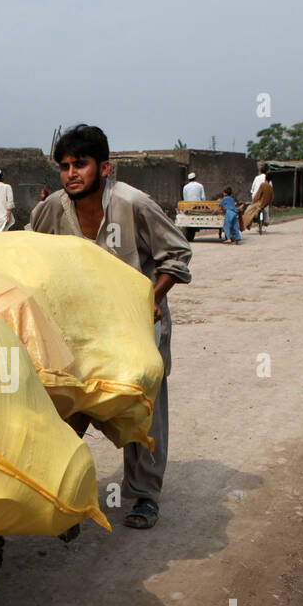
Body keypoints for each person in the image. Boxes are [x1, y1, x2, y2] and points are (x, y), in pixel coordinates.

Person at [28, 123, 192, 530]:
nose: (71, 174)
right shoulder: (51, 210)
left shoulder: (133, 204)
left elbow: (176, 252)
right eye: (64, 166)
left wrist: (152, 299)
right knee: (66, 406)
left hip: (135, 326)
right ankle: (64, 495)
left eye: (80, 164)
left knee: (142, 409)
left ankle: (144, 496)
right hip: (79, 330)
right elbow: (29, 255)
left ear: (104, 168)